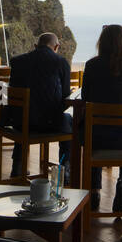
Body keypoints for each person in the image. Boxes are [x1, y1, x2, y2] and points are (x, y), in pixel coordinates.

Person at [80, 24, 122, 214]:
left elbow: (86, 97)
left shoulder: (91, 65)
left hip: (98, 136)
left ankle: (94, 191)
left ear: (102, 42)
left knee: (91, 132)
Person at [6, 32, 72, 178]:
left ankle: (17, 167)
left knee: (25, 113)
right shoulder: (61, 62)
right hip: (48, 123)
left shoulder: (17, 61)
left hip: (19, 122)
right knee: (69, 123)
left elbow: (12, 92)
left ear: (36, 46)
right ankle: (65, 170)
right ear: (56, 46)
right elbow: (66, 97)